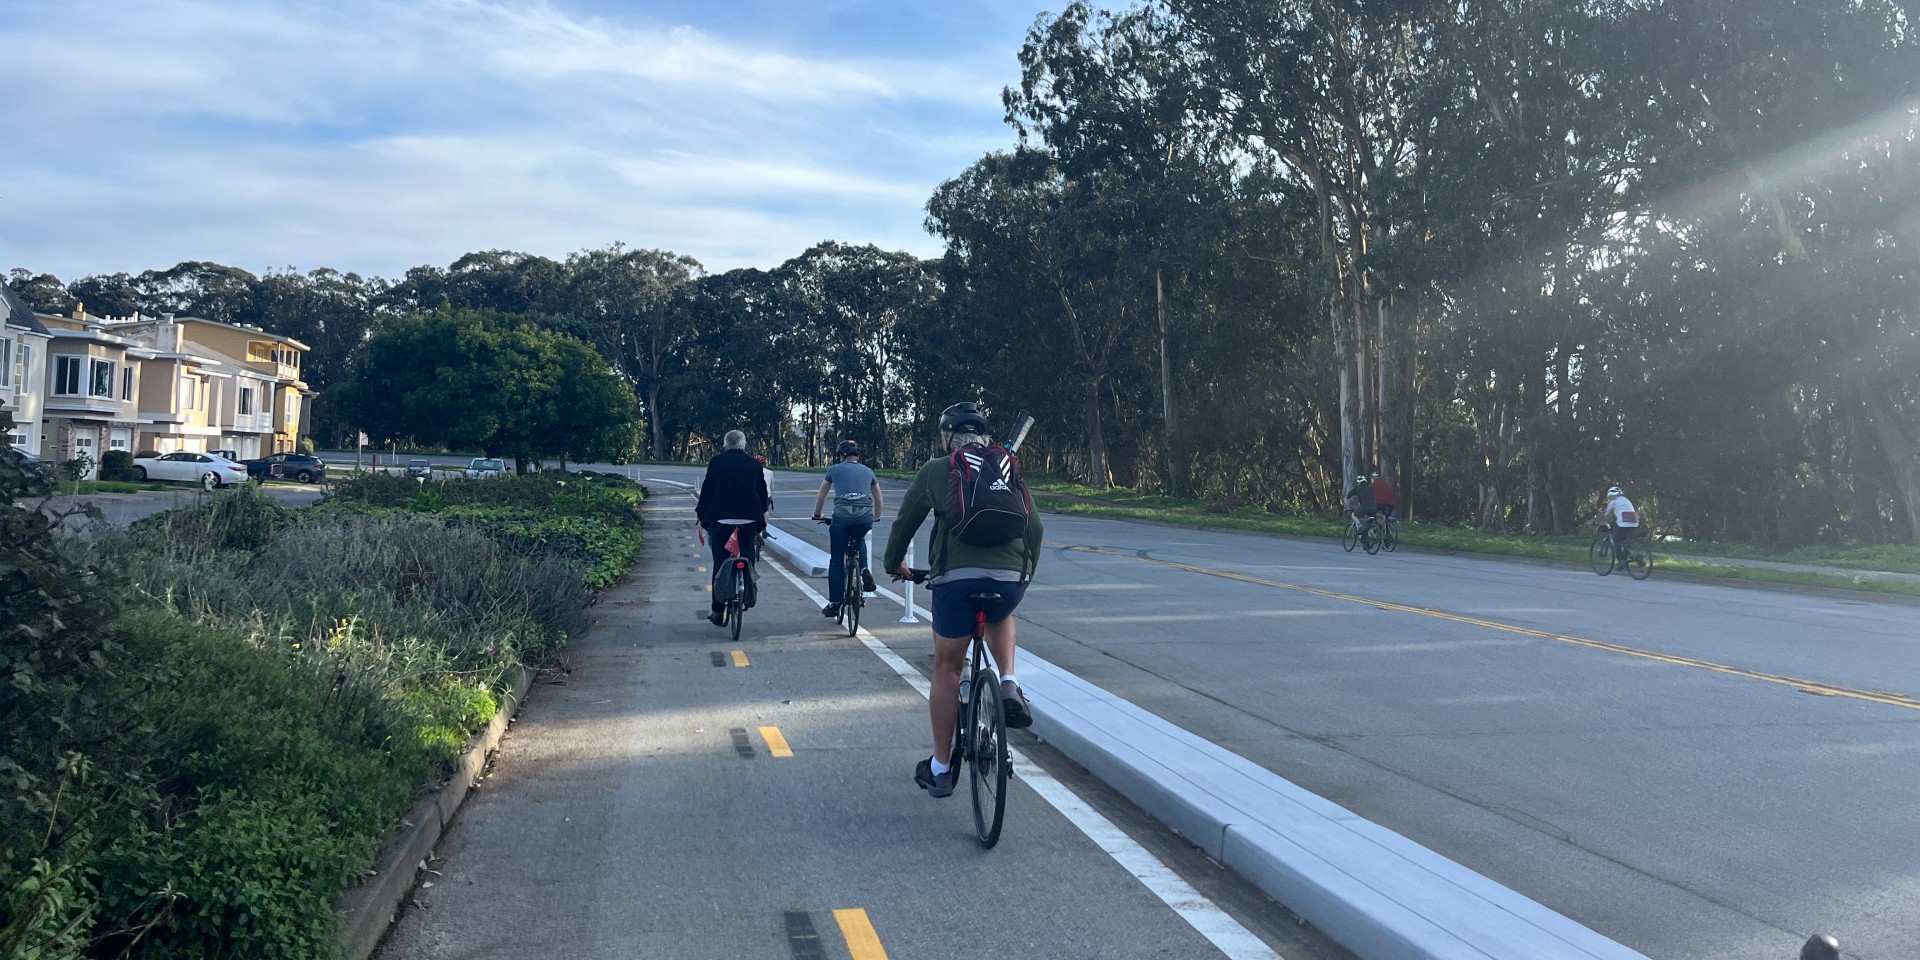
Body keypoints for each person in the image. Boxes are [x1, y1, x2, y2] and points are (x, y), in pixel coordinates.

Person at [883, 402, 1043, 798]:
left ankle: (940, 769)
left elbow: (905, 523)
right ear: (984, 437)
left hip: (954, 581)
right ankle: (1008, 683)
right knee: (1001, 613)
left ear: (945, 437)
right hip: (1010, 579)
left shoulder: (937, 470)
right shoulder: (1006, 467)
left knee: (947, 668)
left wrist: (893, 564)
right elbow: (1034, 526)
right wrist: (1024, 574)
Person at [696, 430, 770, 626]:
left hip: (721, 520)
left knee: (720, 563)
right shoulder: (754, 465)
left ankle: (717, 611)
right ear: (743, 445)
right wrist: (761, 516)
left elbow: (707, 492)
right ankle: (747, 591)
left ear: (725, 444)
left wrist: (701, 517)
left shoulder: (716, 462)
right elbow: (762, 494)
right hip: (748, 520)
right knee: (748, 555)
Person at [812, 440, 885, 619]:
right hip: (864, 518)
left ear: (842, 456)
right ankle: (864, 569)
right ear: (857, 456)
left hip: (842, 518)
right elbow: (879, 497)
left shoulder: (834, 470)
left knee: (837, 560)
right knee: (859, 538)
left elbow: (821, 494)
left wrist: (817, 514)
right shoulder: (868, 471)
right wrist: (876, 516)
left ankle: (835, 603)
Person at [1596, 485, 1642, 564]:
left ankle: (1622, 561)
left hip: (1624, 523)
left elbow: (1605, 515)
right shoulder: (1626, 500)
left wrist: (1597, 522)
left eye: (1609, 497)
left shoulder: (1614, 502)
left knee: (1616, 541)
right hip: (1634, 522)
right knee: (1624, 541)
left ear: (1611, 495)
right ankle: (1631, 555)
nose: (1609, 499)